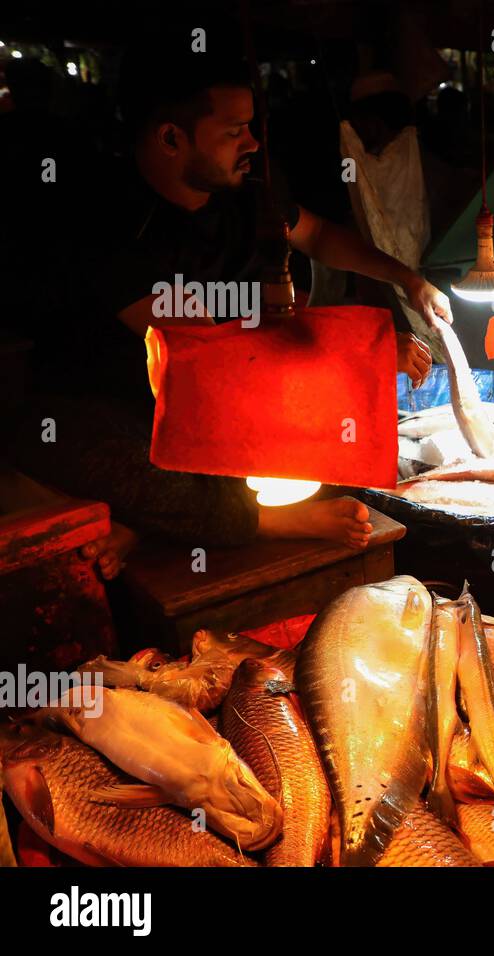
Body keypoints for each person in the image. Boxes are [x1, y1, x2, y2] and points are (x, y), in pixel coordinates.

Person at [10, 28, 452, 579]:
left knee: (334, 447)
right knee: (143, 473)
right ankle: (265, 523)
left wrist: (407, 279)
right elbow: (208, 352)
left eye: (250, 127)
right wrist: (359, 354)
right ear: (172, 138)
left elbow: (318, 237)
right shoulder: (106, 223)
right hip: (117, 411)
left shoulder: (248, 195)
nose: (252, 143)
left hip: (218, 402)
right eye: (234, 131)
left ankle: (150, 523)